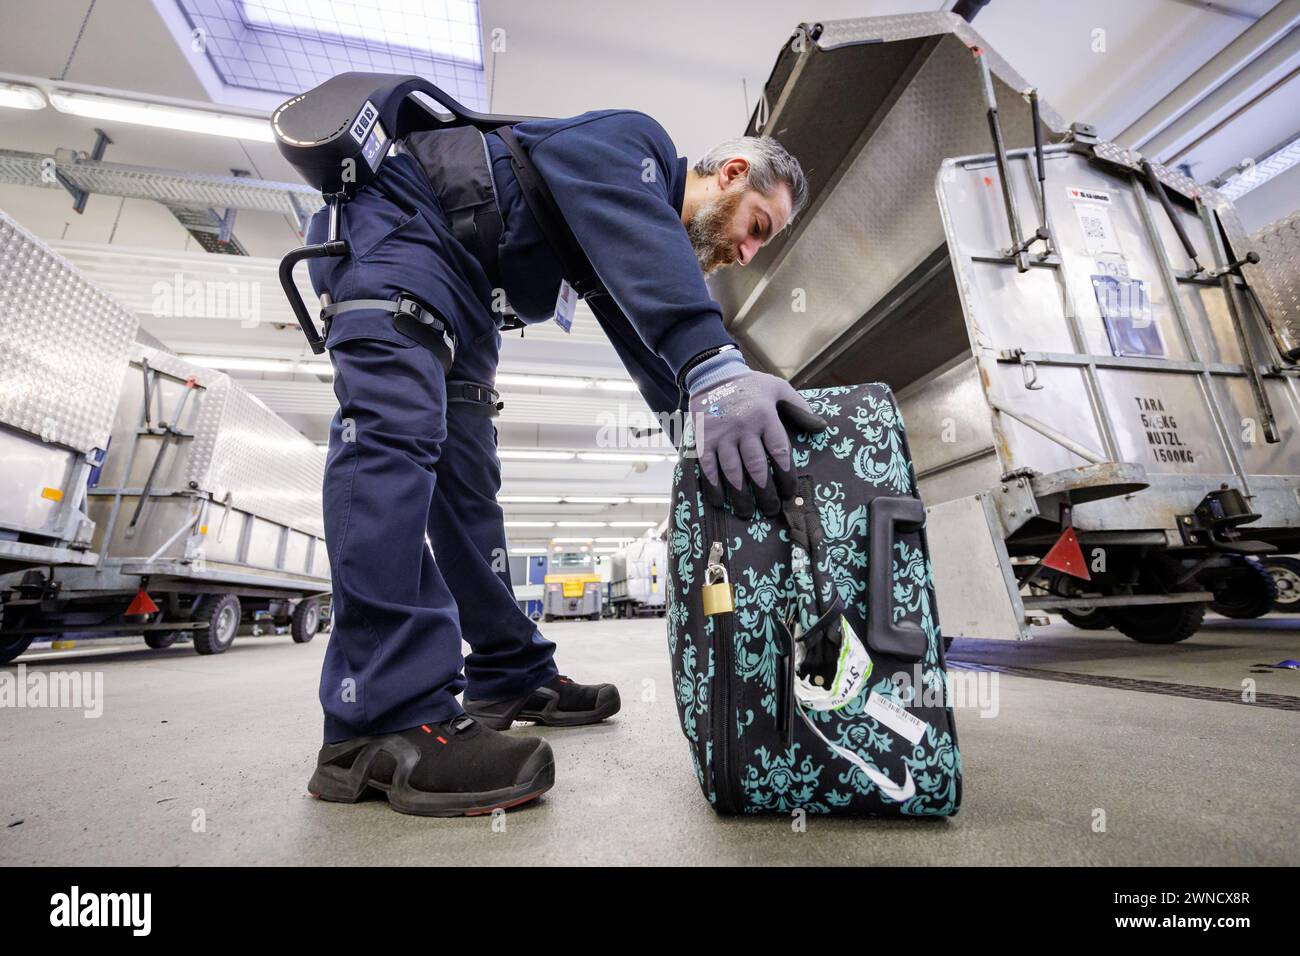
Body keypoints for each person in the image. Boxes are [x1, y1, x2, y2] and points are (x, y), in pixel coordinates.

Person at [304, 106, 826, 817]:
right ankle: (380, 719)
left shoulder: (615, 227)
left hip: (463, 290)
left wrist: (702, 420)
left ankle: (507, 673)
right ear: (732, 174)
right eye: (756, 227)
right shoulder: (638, 143)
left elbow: (642, 329)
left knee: (467, 491)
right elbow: (658, 281)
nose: (746, 254)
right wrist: (714, 365)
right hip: (398, 234)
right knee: (392, 438)